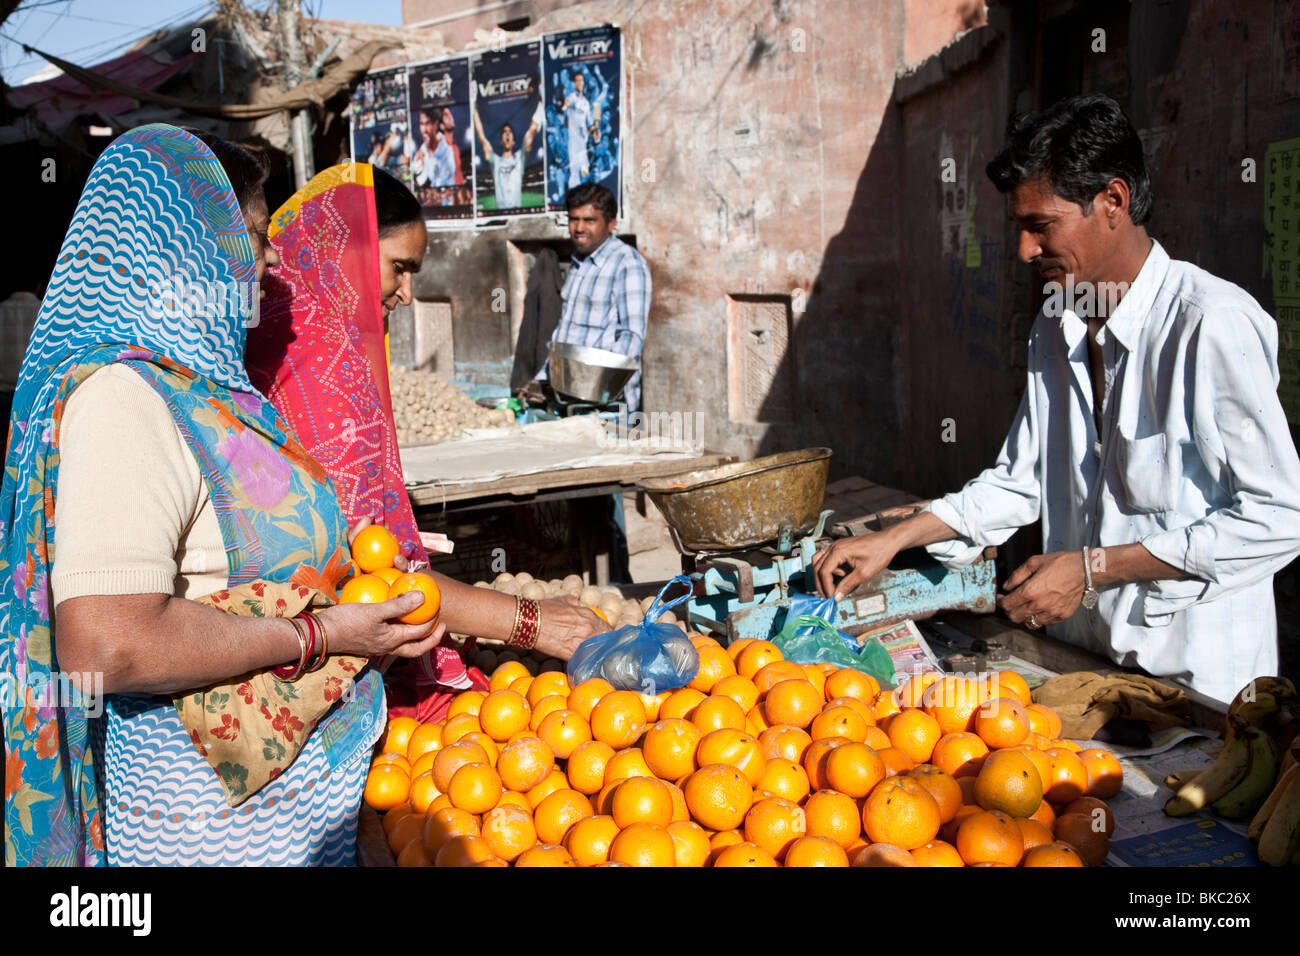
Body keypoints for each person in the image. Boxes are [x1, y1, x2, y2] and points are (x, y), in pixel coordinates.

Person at [2, 125, 442, 866]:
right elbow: (108, 644)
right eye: (252, 235)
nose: (269, 262)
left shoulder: (214, 394)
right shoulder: (124, 400)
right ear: (180, 249)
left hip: (285, 818)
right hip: (203, 827)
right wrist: (325, 635)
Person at [814, 95, 1300, 704]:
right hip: (1086, 674)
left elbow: (1280, 518)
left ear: (1113, 202)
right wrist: (896, 538)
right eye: (1018, 227)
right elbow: (1021, 481)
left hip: (1200, 691)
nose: (1024, 251)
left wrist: (1095, 568)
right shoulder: (1058, 320)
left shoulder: (1209, 325)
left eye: (1040, 226)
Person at [245, 162, 607, 691]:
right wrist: (533, 622)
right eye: (400, 267)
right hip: (313, 663)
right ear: (353, 254)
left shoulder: (279, 316)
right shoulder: (322, 354)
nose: (407, 293)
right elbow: (369, 568)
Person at [523, 182, 650, 414]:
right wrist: (544, 378)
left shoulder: (627, 264)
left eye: (590, 220)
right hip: (569, 400)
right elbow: (566, 331)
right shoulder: (579, 262)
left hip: (604, 405)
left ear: (611, 223)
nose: (579, 227)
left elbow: (632, 337)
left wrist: (592, 385)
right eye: (574, 219)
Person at [474, 101, 541, 211]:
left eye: (510, 132)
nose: (508, 133)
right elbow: (482, 137)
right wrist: (474, 106)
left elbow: (531, 133)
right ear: (501, 141)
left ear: (514, 142)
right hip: (501, 214)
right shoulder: (495, 161)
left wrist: (541, 104)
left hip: (517, 214)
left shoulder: (520, 158)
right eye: (504, 132)